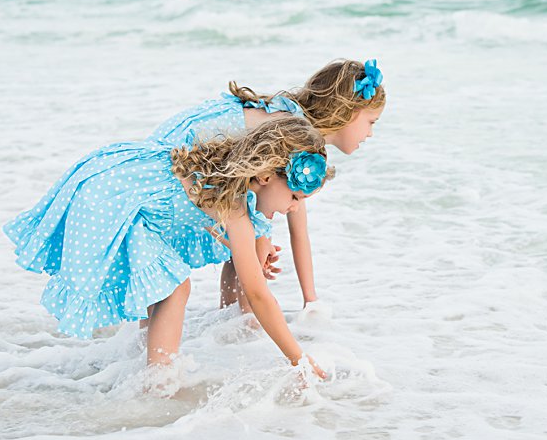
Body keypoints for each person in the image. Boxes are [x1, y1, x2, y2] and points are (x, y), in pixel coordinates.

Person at [4, 115, 333, 378]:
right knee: (174, 286)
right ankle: (157, 381)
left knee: (166, 282)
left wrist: (246, 249)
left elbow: (219, 226)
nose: (294, 208)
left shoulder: (229, 183)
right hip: (112, 198)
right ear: (264, 176)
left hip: (110, 182)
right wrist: (298, 358)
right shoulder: (233, 204)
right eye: (295, 198)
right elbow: (258, 293)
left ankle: (142, 363)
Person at [142, 59, 386, 312]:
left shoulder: (300, 135)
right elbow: (251, 190)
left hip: (186, 169)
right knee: (250, 247)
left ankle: (231, 323)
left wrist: (310, 300)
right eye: (371, 122)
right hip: (172, 168)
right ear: (348, 111)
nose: (370, 134)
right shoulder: (289, 133)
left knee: (248, 244)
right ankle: (244, 322)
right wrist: (261, 240)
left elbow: (298, 229)